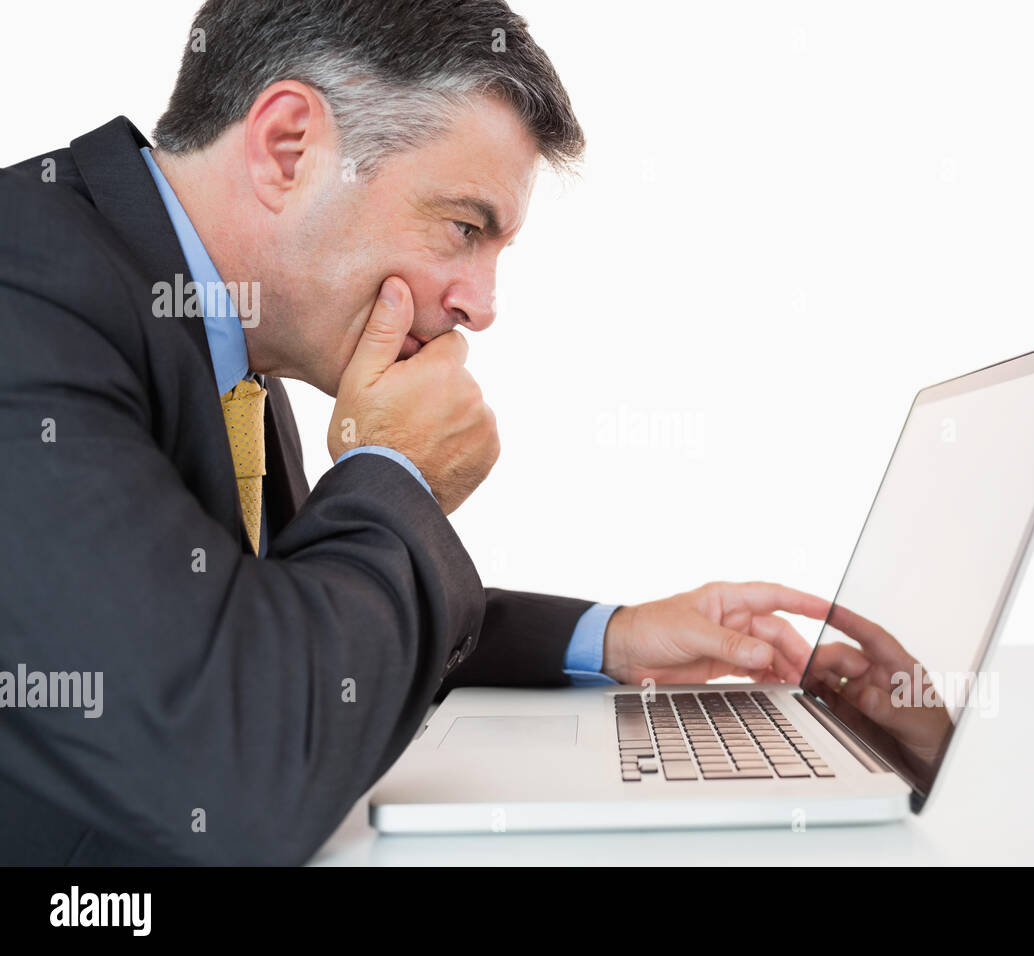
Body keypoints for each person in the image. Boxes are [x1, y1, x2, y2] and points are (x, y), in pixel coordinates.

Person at [0, 0, 827, 864]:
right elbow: (234, 764)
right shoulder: (23, 279)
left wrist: (608, 640)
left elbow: (279, 627)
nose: (482, 305)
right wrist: (393, 471)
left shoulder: (226, 340)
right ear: (289, 149)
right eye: (465, 228)